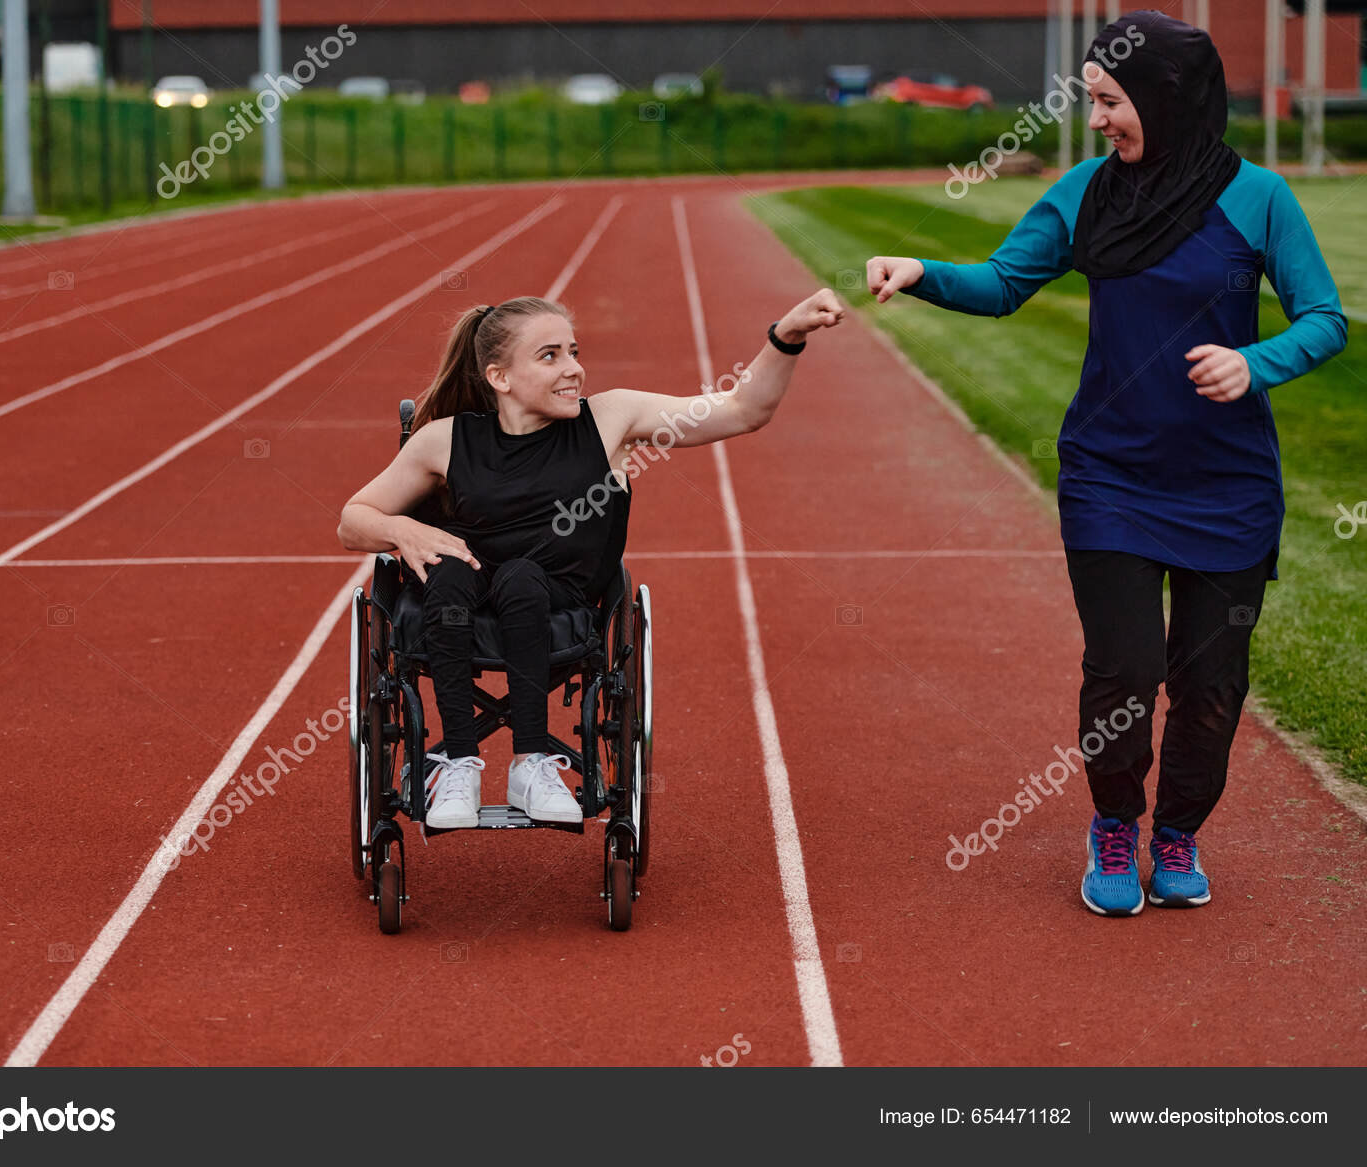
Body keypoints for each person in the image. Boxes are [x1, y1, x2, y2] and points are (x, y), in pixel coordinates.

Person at [866, 10, 1347, 916]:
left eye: (1111, 101)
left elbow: (1324, 318)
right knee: (1125, 670)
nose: (1097, 119)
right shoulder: (1086, 191)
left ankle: (1178, 832)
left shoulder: (1261, 198)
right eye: (1091, 100)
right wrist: (922, 269)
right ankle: (1116, 822)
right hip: (1111, 475)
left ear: (1168, 98)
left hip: (1230, 487)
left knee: (1213, 684)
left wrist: (1256, 363)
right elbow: (1006, 283)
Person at [339, 289, 845, 827]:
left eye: (574, 351)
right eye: (550, 355)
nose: (574, 369)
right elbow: (353, 521)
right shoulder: (445, 440)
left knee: (523, 579)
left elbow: (744, 411)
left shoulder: (610, 419)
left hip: (555, 595)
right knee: (447, 577)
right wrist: (402, 529)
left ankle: (531, 761)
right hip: (459, 598)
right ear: (500, 377)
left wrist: (786, 335)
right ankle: (458, 761)